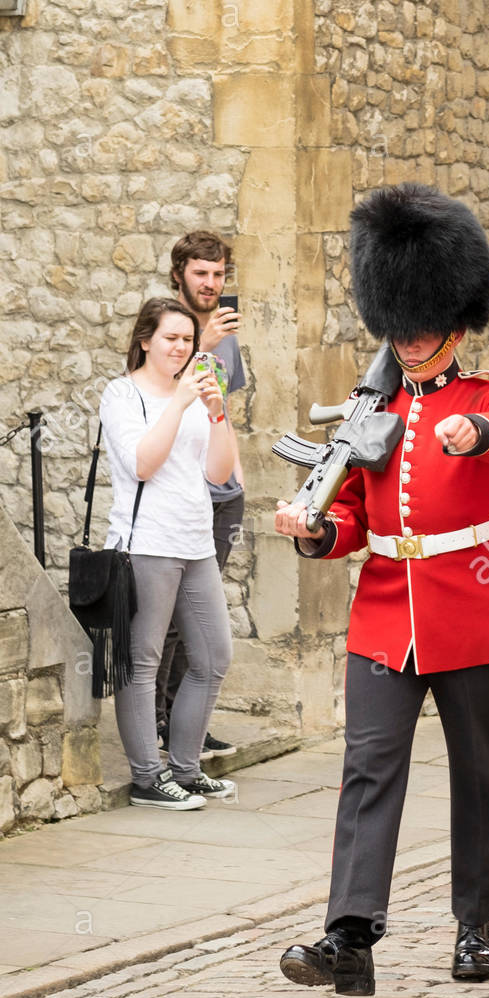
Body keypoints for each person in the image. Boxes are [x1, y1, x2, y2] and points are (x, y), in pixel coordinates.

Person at [276, 184, 489, 997]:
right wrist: (317, 530)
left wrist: (481, 433)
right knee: (369, 765)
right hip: (388, 612)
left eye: (428, 326)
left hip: (471, 605)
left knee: (478, 773)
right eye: (403, 323)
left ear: (454, 326)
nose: (414, 339)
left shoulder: (484, 392)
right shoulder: (371, 410)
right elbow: (351, 517)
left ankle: (476, 922)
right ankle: (350, 934)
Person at [100, 297, 238, 810]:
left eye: (187, 339)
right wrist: (180, 402)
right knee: (142, 662)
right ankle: (147, 777)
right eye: (171, 339)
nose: (181, 348)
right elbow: (141, 464)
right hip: (147, 544)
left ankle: (185, 767)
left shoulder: (197, 394)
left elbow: (218, 474)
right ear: (145, 341)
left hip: (195, 541)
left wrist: (217, 412)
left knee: (213, 657)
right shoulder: (122, 394)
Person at [157, 230, 248, 759]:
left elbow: (219, 406)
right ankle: (158, 724)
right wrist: (202, 342)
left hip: (220, 491)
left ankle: (190, 723)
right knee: (167, 618)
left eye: (218, 275)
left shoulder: (224, 333)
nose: (211, 284)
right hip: (176, 489)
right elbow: (160, 396)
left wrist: (233, 470)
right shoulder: (168, 330)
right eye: (200, 274)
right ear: (179, 276)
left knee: (202, 615)